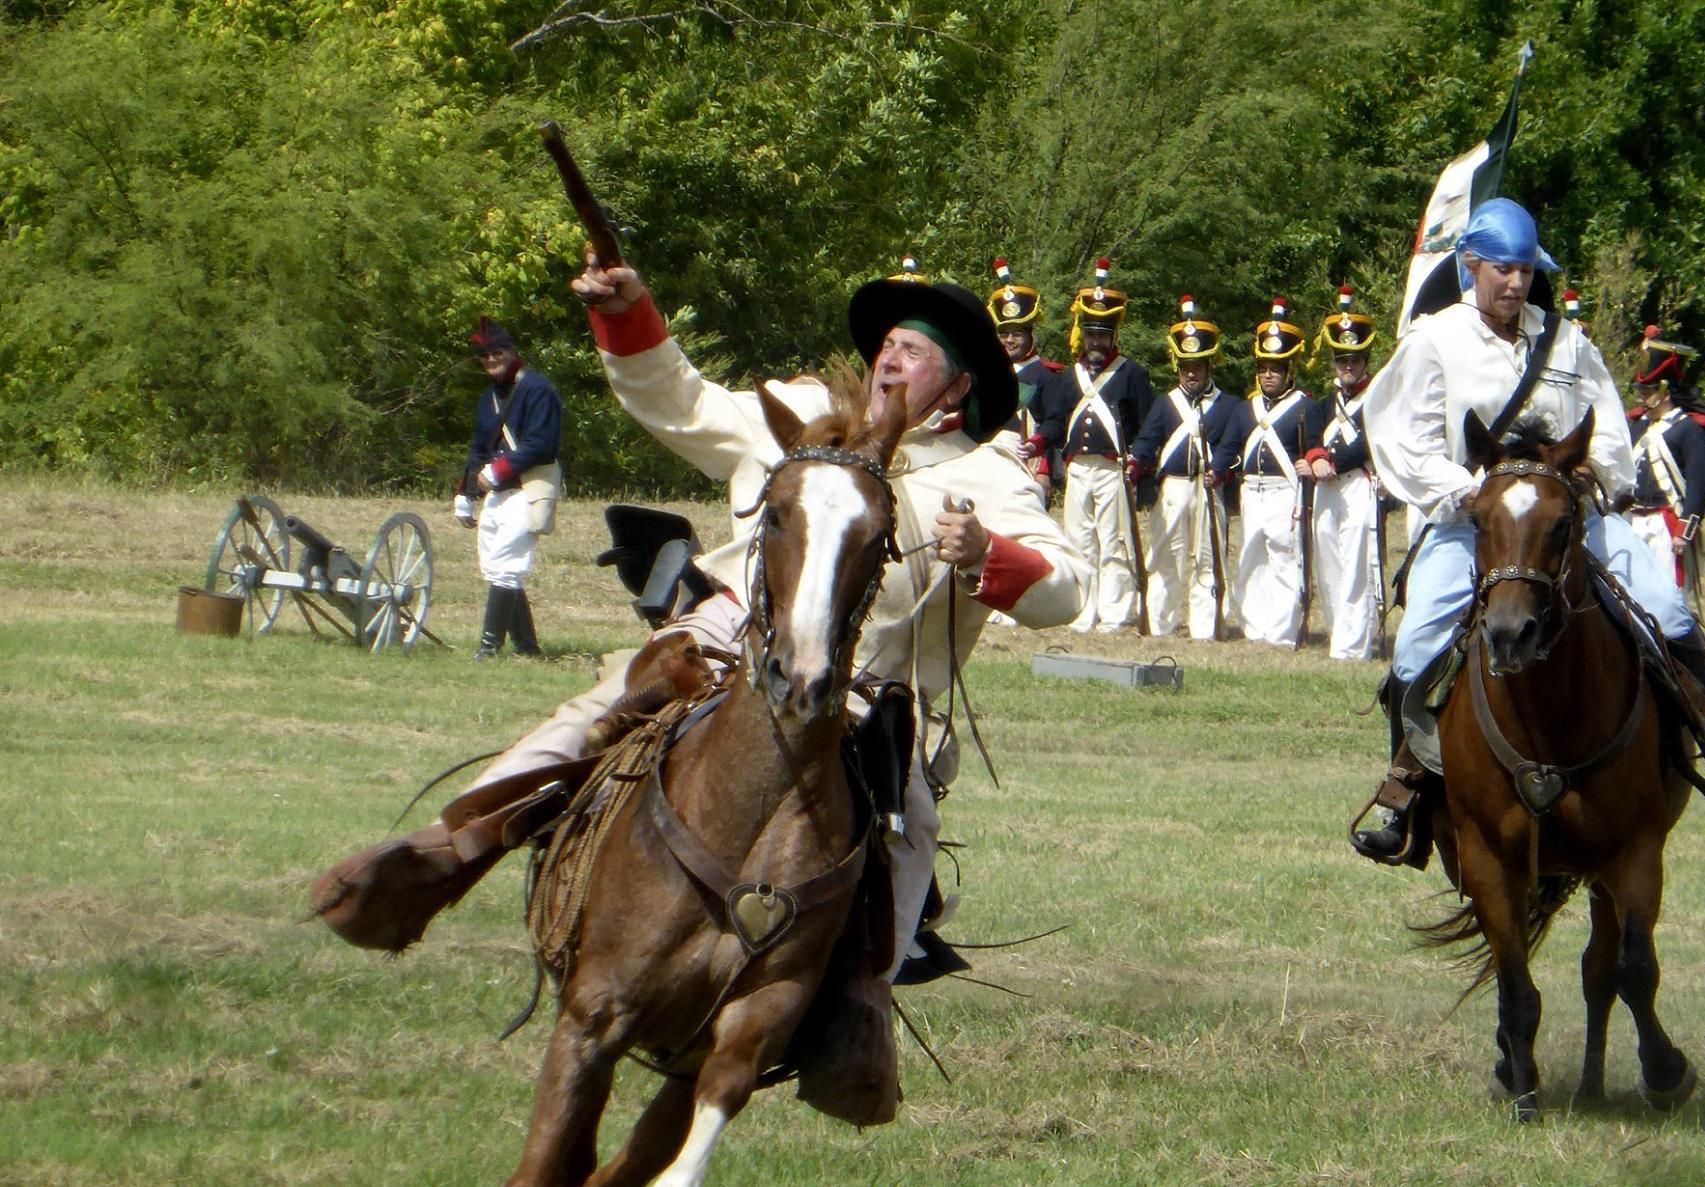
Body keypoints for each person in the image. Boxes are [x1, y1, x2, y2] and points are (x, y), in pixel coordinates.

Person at [315, 257, 1087, 985]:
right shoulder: (804, 418)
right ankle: (452, 852)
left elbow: (1068, 590)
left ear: (954, 390)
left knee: (908, 833)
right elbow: (684, 403)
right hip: (731, 638)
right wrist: (629, 315)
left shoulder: (987, 476)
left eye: (913, 351)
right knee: (597, 711)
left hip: (867, 695)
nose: (887, 360)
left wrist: (989, 552)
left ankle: (864, 1015)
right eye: (886, 344)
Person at [1350, 198, 1705, 867]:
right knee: (1417, 647)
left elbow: (1611, 431)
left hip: (1567, 521)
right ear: (1470, 265)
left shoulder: (1567, 342)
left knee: (1669, 609)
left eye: (1526, 270)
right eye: (1502, 268)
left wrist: (1589, 485)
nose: (1515, 282)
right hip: (1470, 525)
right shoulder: (1432, 341)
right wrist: (1475, 495)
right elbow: (1402, 444)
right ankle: (1406, 792)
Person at [1040, 259, 1156, 633]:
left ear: (1113, 335)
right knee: (1079, 541)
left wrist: (1138, 460)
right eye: (1091, 334)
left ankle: (1115, 611)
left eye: (1102, 335)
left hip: (1112, 469)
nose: (1095, 342)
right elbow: (1057, 419)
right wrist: (1040, 439)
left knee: (1114, 541)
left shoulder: (1131, 373)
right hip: (1078, 469)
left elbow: (1146, 424)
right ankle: (1083, 611)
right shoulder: (1069, 377)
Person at [1128, 297, 1248, 639]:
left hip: (1208, 488)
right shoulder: (1166, 403)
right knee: (1166, 557)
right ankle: (1160, 623)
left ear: (1209, 367)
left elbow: (1230, 444)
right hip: (1175, 488)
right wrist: (1136, 460)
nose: (1190, 373)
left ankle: (1205, 627)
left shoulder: (1228, 405)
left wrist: (1220, 468)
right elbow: (1148, 439)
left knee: (1208, 560)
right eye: (1185, 367)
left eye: (1197, 366)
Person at [454, 317, 562, 658]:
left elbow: (542, 443)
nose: (490, 360)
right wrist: (465, 492)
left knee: (506, 565)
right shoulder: (489, 397)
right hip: (499, 493)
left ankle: (489, 648)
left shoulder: (538, 389)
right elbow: (479, 448)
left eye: (496, 352)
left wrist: (498, 471)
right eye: (484, 356)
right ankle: (527, 647)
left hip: (528, 488)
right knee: (495, 567)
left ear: (512, 352)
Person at [1304, 286, 1384, 661]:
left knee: (1355, 565)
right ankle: (1340, 634)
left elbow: (1371, 443)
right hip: (1326, 490)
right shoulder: (1325, 404)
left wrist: (1330, 463)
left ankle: (1354, 647)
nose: (1347, 367)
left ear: (1366, 360)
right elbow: (1308, 436)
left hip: (1356, 487)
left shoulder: (1379, 400)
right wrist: (1316, 456)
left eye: (1353, 360)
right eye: (1341, 360)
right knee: (1329, 563)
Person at [1234, 297, 1319, 647]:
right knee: (1250, 558)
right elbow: (1230, 447)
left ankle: (1282, 632)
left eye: (1277, 368)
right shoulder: (1245, 407)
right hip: (1252, 490)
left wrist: (1310, 462)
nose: (1270, 374)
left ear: (1289, 371)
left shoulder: (1305, 407)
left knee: (1285, 559)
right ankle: (1255, 627)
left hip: (1286, 491)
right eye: (1265, 367)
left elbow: (1313, 444)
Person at [1623, 327, 1705, 599]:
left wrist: (1685, 528)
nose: (1641, 396)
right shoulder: (1636, 426)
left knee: (1668, 596)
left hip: (1666, 525)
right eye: (1641, 389)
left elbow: (1701, 480)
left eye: (1647, 390)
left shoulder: (1690, 429)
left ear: (1665, 391)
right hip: (1632, 520)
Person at [987, 257, 1066, 506]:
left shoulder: (1047, 375)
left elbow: (1055, 423)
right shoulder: (990, 374)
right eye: (1004, 334)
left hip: (1031, 461)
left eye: (1017, 333)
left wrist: (1040, 459)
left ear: (1031, 334)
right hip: (992, 462)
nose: (1009, 340)